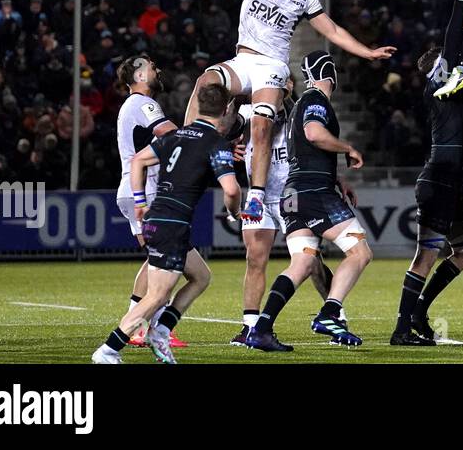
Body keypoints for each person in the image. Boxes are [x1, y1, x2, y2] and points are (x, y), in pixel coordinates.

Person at [184, 0, 394, 232]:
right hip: (244, 58)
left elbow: (332, 30)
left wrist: (366, 52)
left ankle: (255, 195)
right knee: (206, 81)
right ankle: (187, 144)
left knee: (262, 122)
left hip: (272, 66)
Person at [91, 83, 240, 364]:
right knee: (157, 295)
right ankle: (108, 349)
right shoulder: (214, 142)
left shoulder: (177, 135)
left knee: (201, 276)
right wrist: (235, 212)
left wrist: (140, 202)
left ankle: (161, 331)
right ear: (224, 110)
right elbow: (231, 190)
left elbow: (137, 161)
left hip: (160, 218)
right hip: (172, 223)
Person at [245, 51, 371, 351]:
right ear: (329, 72)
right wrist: (348, 147)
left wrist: (336, 178)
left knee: (301, 263)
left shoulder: (300, 106)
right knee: (359, 252)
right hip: (314, 193)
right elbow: (314, 134)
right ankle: (330, 313)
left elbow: (305, 149)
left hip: (292, 194)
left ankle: (260, 329)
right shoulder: (315, 101)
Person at [391, 0, 463, 346]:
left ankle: (419, 313)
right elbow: (456, 43)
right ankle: (401, 329)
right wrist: (460, 0)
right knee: (424, 257)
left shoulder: (456, 85)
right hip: (439, 180)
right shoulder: (438, 87)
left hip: (450, 182)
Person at [230, 77, 342, 347]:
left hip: (291, 195)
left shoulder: (297, 114)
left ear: (289, 88)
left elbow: (317, 152)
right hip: (259, 197)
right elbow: (219, 131)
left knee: (310, 261)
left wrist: (336, 181)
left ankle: (336, 317)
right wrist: (227, 148)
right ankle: (250, 327)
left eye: (285, 84)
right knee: (255, 259)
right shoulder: (248, 113)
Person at [110, 55, 183, 348]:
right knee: (169, 262)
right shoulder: (143, 104)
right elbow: (169, 132)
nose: (157, 70)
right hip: (145, 190)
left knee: (156, 260)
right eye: (152, 67)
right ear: (140, 76)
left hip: (129, 188)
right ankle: (150, 327)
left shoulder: (130, 106)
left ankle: (138, 324)